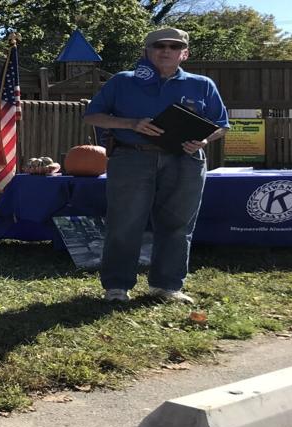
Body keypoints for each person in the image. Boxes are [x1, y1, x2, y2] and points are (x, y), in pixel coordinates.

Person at [82, 27, 229, 304]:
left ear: (184, 54)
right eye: (159, 45)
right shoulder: (123, 81)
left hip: (185, 161)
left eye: (174, 47)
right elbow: (92, 116)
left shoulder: (202, 84)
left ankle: (167, 286)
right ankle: (117, 286)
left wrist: (204, 140)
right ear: (146, 51)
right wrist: (131, 123)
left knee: (178, 225)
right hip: (131, 157)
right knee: (124, 223)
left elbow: (221, 125)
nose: (166, 51)